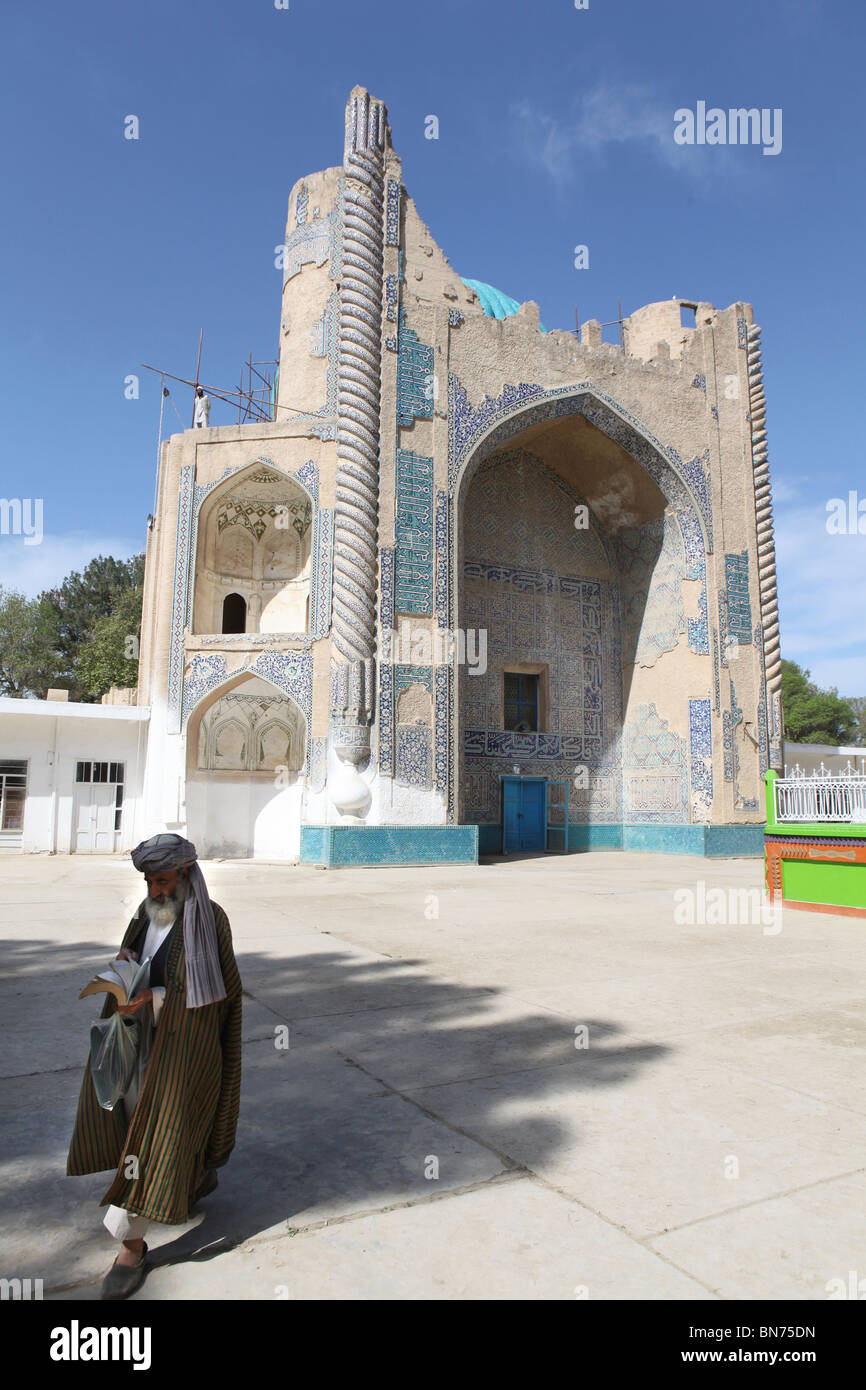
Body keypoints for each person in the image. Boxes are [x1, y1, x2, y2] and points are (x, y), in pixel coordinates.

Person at [66, 834, 242, 1300]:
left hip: (184, 1052)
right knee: (133, 1130)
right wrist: (125, 965)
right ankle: (195, 1175)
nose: (156, 890)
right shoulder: (146, 915)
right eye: (149, 881)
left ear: (185, 875)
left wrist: (158, 998)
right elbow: (137, 957)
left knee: (151, 1138)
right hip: (136, 1044)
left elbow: (220, 997)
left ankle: (132, 1249)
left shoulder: (211, 921)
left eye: (163, 880)